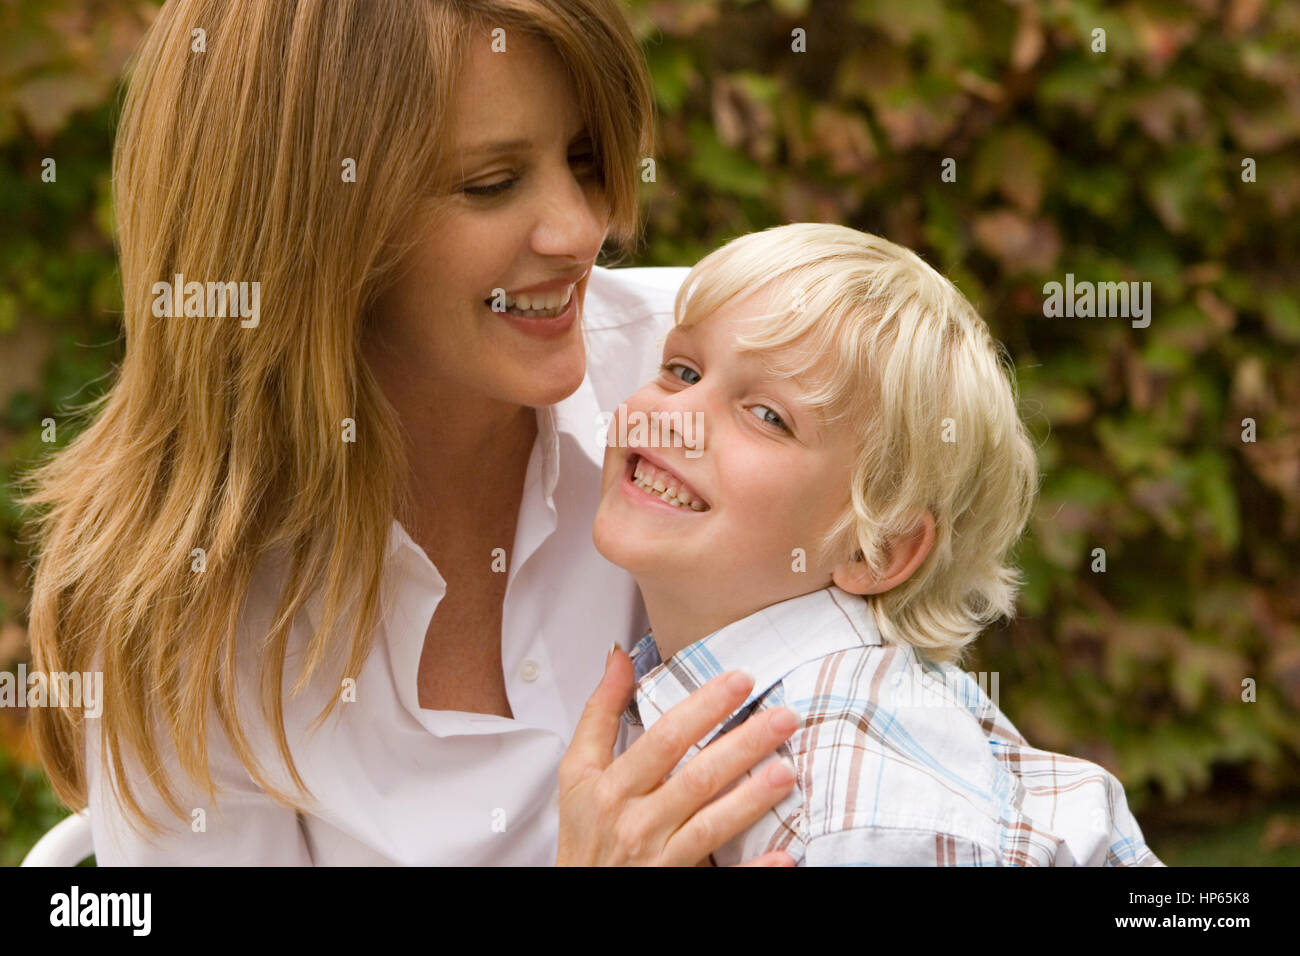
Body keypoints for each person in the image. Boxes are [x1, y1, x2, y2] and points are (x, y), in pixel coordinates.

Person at [18, 0, 799, 865]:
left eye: (584, 160)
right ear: (305, 223)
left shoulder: (729, 384)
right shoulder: (177, 607)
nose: (582, 231)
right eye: (491, 184)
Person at [593, 223, 1163, 865]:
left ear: (876, 550)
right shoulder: (760, 704)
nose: (672, 416)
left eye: (768, 417)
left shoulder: (845, 807)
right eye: (681, 370)